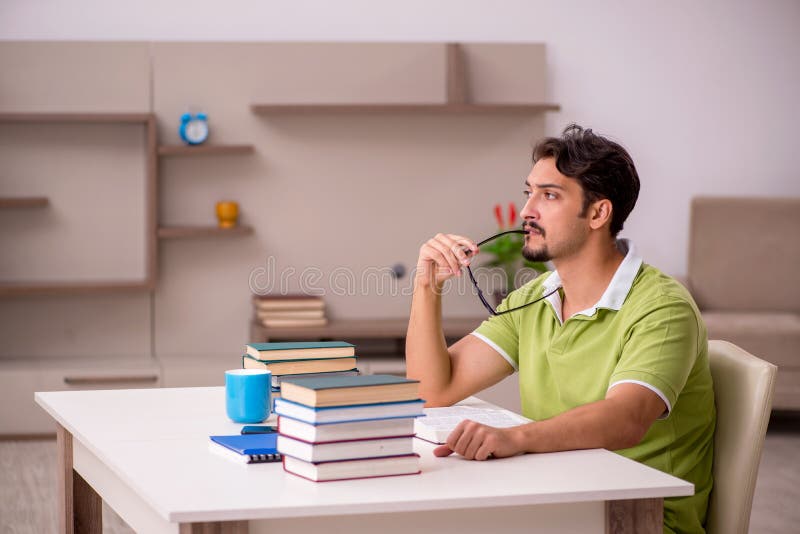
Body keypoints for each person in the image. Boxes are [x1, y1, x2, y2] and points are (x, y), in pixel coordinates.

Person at [405, 124, 715, 534]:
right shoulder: (536, 298)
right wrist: (427, 286)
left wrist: (515, 438)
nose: (526, 211)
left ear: (598, 213)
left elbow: (627, 418)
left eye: (549, 195)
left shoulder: (662, 307)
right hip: (555, 499)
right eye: (529, 192)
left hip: (637, 517)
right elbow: (432, 390)